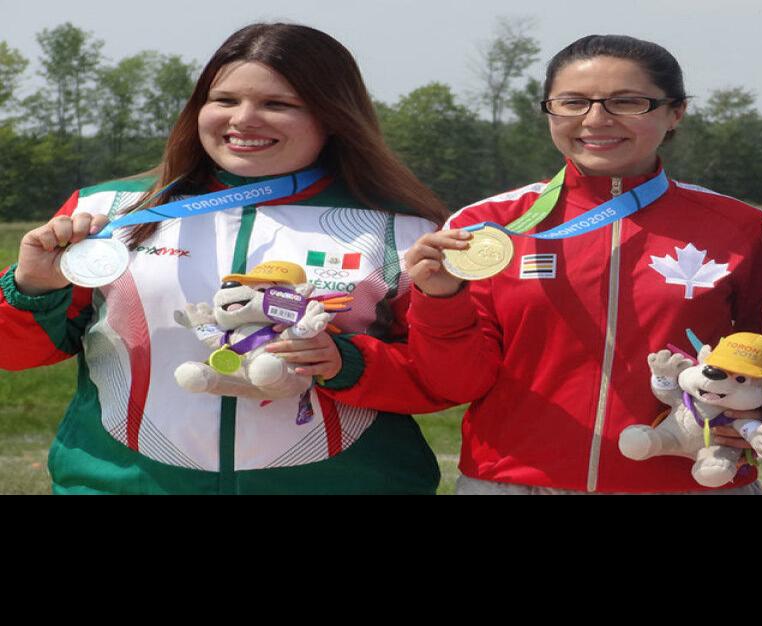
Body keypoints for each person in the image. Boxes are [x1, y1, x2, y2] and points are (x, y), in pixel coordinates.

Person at [0, 23, 454, 494]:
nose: (244, 119)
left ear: (333, 116)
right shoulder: (106, 213)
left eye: (277, 104)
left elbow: (446, 379)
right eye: (224, 100)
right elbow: (13, 353)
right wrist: (32, 288)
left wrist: (347, 363)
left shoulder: (403, 231)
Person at [325, 34, 762, 494]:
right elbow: (455, 383)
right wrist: (441, 300)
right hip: (513, 482)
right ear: (548, 110)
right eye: (573, 102)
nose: (596, 119)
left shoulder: (741, 228)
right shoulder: (487, 226)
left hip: (688, 482)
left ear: (675, 111)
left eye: (627, 102)